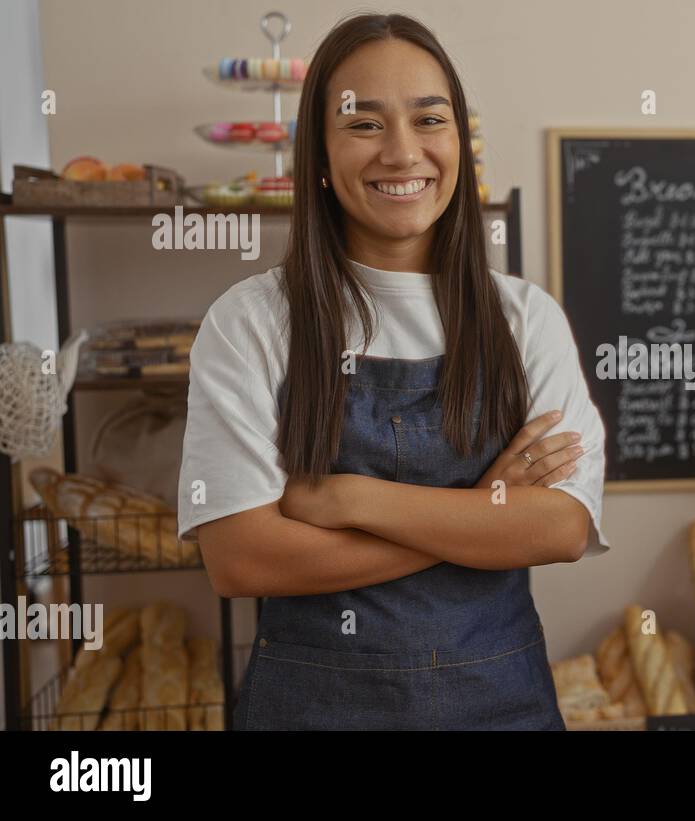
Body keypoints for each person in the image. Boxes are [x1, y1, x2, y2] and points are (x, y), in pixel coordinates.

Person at [176, 13, 607, 730]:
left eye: (429, 119)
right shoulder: (249, 322)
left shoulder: (525, 318)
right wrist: (484, 508)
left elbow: (560, 528)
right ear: (317, 153)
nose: (404, 153)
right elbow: (244, 558)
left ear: (460, 147)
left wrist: (348, 499)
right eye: (364, 124)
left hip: (501, 707)